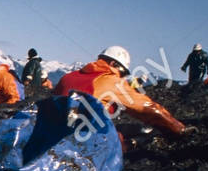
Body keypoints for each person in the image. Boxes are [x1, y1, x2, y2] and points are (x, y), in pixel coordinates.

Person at [54, 46, 187, 138]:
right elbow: (148, 108)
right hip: (82, 136)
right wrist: (178, 129)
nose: (122, 77)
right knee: (124, 136)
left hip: (54, 131)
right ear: (113, 64)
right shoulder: (111, 81)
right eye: (122, 73)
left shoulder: (67, 77)